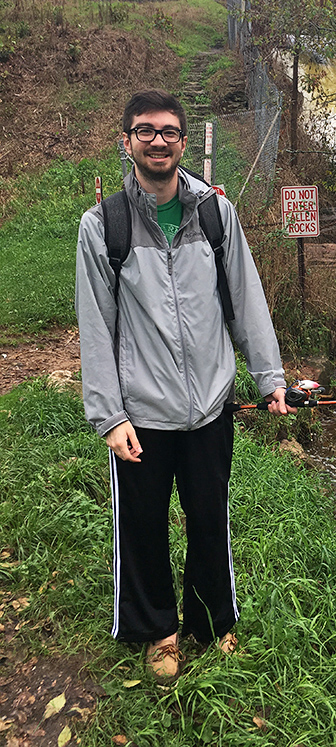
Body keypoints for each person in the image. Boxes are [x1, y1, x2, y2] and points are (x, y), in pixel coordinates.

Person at [75, 89, 294, 679]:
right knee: (142, 524)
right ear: (127, 142)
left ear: (183, 140)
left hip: (210, 404)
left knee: (208, 514)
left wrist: (269, 377)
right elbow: (95, 325)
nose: (158, 141)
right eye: (144, 131)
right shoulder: (104, 227)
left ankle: (210, 619)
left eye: (168, 131)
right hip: (142, 411)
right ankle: (158, 631)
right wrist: (109, 415)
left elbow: (247, 301)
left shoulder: (216, 214)